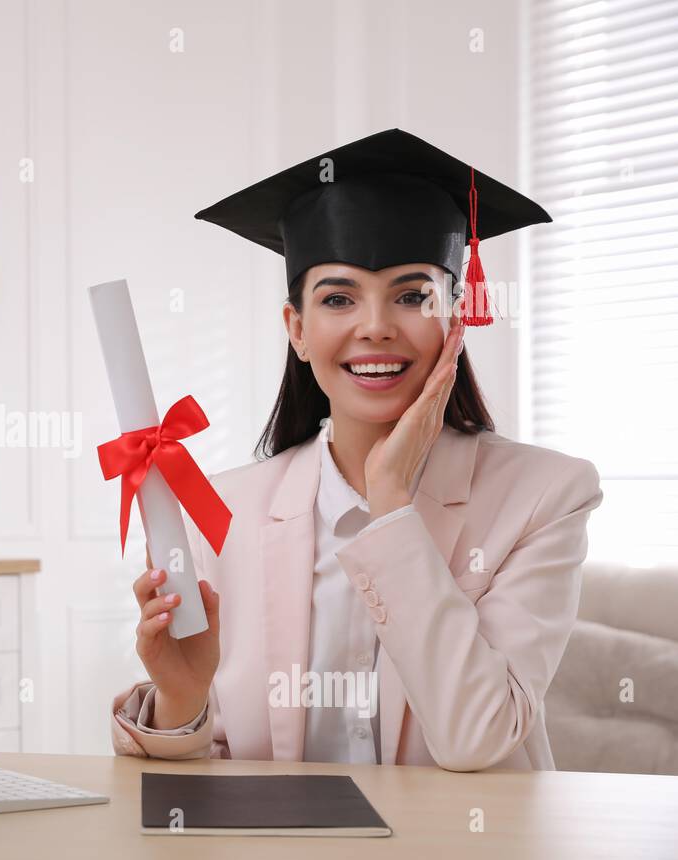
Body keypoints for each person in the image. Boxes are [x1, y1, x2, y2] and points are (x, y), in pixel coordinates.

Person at [111, 128, 603, 772]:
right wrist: (182, 697)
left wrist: (392, 501)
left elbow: (476, 739)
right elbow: (211, 778)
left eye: (412, 295)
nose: (374, 326)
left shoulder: (544, 496)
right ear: (298, 330)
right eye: (338, 298)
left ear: (456, 318)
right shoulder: (222, 508)